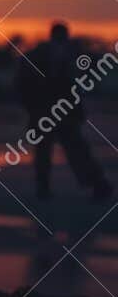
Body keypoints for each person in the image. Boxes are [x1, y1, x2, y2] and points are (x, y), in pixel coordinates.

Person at [16, 23, 112, 202]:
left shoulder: (53, 56)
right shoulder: (60, 56)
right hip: (51, 112)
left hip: (53, 112)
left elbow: (24, 83)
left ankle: (95, 184)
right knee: (69, 151)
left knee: (69, 151)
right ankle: (96, 184)